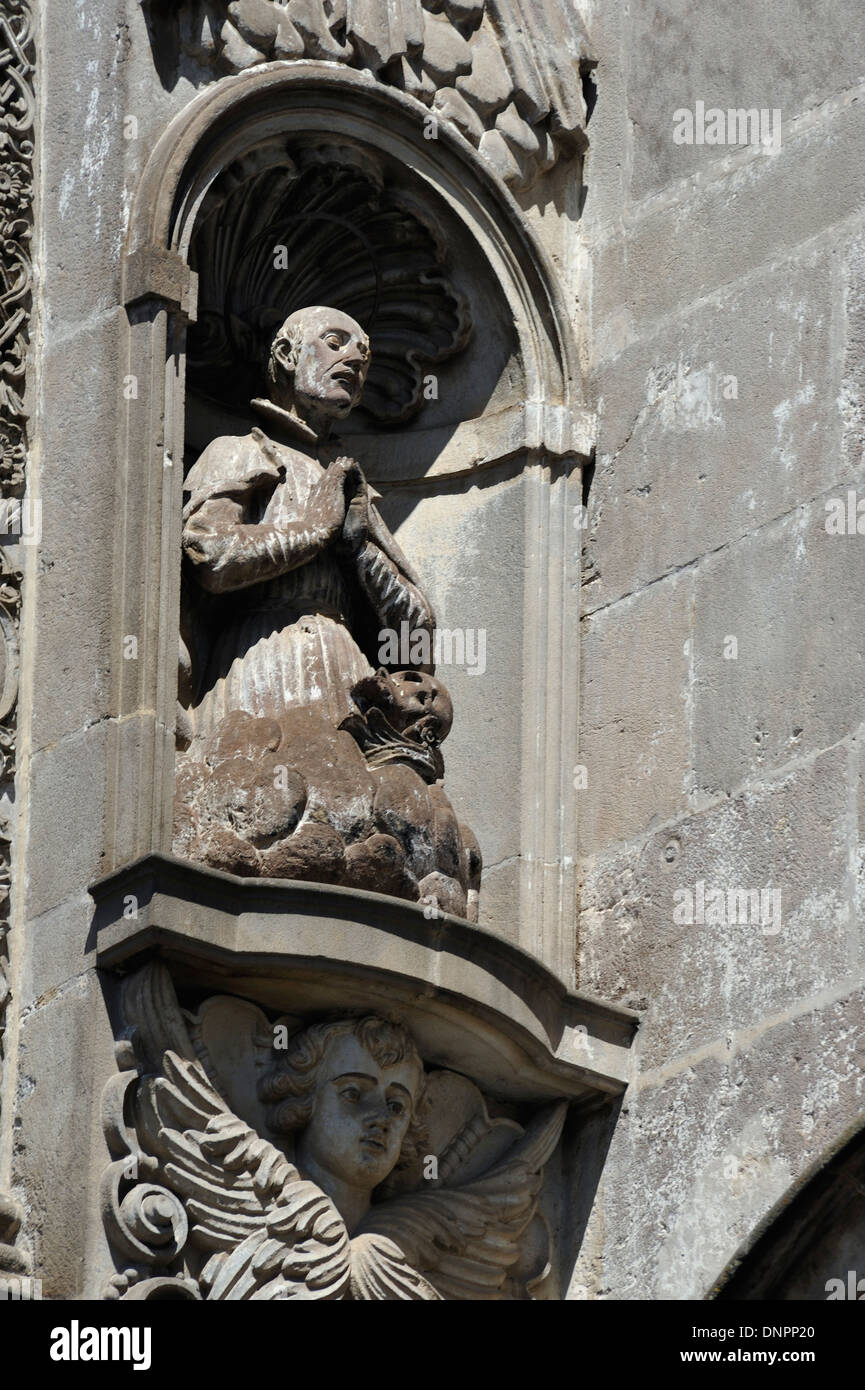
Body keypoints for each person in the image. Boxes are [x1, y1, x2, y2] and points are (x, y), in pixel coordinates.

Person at [180, 305, 435, 744]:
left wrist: (359, 550)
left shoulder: (354, 487)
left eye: (365, 356)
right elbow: (209, 554)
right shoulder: (241, 452)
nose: (355, 360)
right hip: (263, 656)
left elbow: (416, 644)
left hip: (350, 674)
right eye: (336, 344)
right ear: (285, 354)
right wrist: (313, 533)